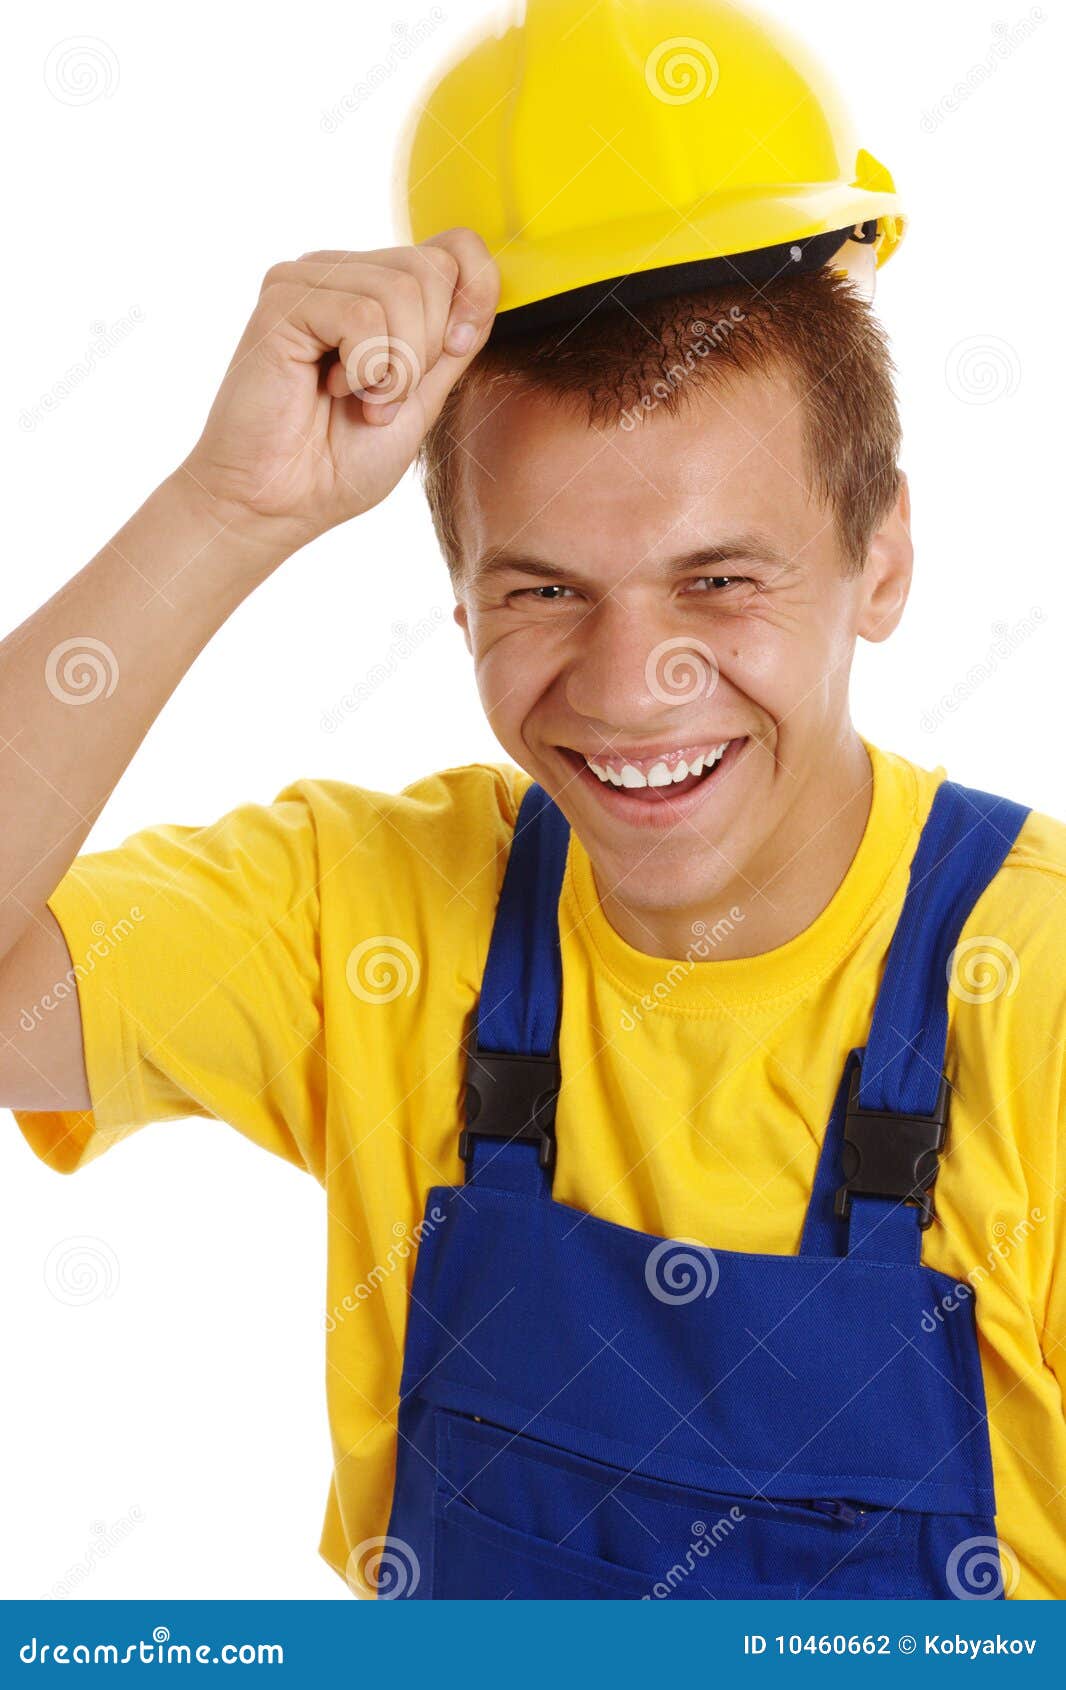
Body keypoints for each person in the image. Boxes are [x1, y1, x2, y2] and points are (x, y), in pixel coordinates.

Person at [3, 2, 1064, 1602]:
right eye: (544, 590)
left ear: (883, 559)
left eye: (718, 579)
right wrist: (225, 514)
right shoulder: (363, 916)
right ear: (455, 597)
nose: (631, 683)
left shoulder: (1037, 1001)